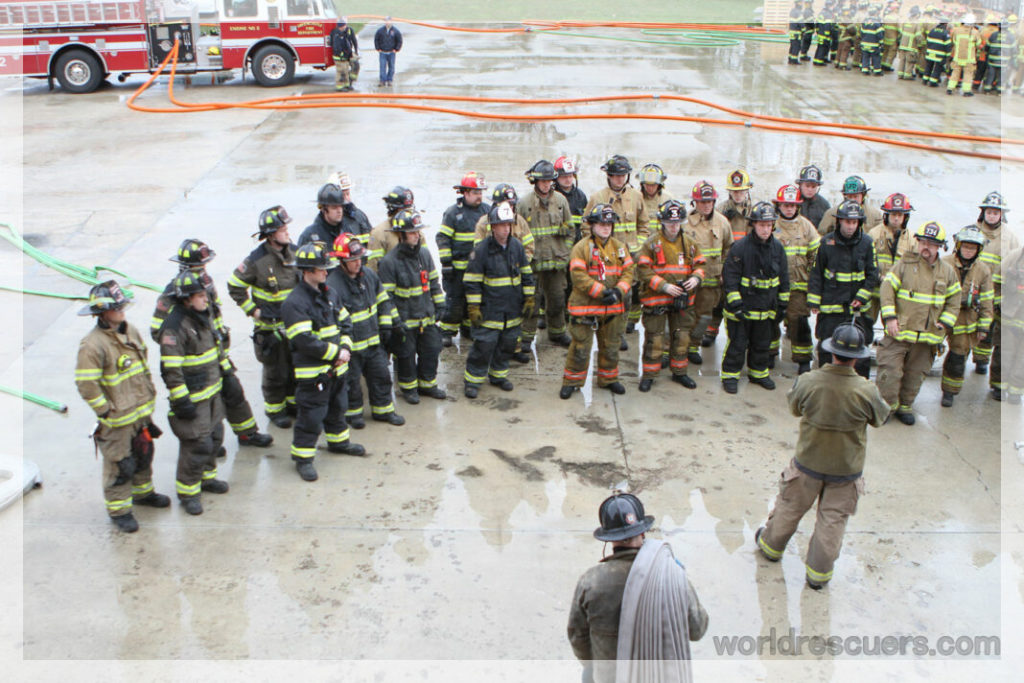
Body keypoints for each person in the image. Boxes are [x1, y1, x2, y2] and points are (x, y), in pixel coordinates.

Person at [755, 323, 890, 590]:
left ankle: (770, 548)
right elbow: (880, 418)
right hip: (846, 469)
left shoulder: (808, 381)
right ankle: (818, 575)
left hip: (808, 463)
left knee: (790, 507)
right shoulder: (867, 390)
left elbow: (794, 408)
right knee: (832, 521)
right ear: (857, 358)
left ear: (830, 352)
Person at [567, 492, 708, 683]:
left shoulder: (591, 582)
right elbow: (697, 629)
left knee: (588, 674)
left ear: (608, 538)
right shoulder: (672, 575)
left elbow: (578, 637)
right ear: (643, 531)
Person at [152, 239, 272, 448]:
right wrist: (190, 339)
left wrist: (218, 337)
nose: (203, 271)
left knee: (233, 392)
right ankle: (210, 445)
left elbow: (213, 315)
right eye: (200, 267)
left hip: (216, 354)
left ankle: (247, 434)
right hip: (196, 363)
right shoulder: (174, 292)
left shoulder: (205, 283)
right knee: (206, 408)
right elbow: (157, 330)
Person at [75, 280, 167, 533]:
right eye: (117, 307)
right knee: (120, 465)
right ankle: (120, 510)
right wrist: (105, 411)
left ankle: (143, 494)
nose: (122, 311)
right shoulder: (92, 345)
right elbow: (86, 384)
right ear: (103, 312)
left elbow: (142, 367)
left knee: (143, 454)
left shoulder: (131, 332)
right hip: (117, 420)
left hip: (139, 412)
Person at [282, 242, 365, 482]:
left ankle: (339, 443)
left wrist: (346, 347)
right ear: (307, 271)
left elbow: (346, 322)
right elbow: (304, 341)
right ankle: (303, 458)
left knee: (338, 408)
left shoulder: (329, 293)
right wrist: (336, 353)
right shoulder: (295, 303)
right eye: (321, 269)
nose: (326, 272)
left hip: (337, 370)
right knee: (311, 417)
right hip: (314, 375)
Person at [158, 270, 231, 515]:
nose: (205, 300)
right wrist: (181, 400)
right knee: (196, 445)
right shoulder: (174, 328)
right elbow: (171, 369)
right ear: (186, 299)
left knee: (215, 437)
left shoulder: (204, 315)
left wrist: (226, 371)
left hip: (212, 392)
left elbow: (216, 347)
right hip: (193, 399)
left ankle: (207, 478)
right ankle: (188, 492)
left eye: (205, 295)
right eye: (200, 296)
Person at [876, 222, 960, 424]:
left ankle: (905, 407)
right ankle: (886, 407)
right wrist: (890, 318)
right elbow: (887, 291)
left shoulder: (947, 272)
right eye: (923, 242)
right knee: (890, 372)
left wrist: (944, 324)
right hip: (899, 332)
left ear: (940, 246)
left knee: (915, 375)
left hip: (927, 337)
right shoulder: (904, 265)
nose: (926, 247)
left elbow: (954, 301)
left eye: (932, 244)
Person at [227, 206, 300, 428]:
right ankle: (275, 410)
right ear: (270, 234)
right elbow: (235, 286)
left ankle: (292, 404)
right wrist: (254, 311)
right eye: (282, 228)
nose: (287, 232)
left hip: (294, 326)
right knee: (275, 372)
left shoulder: (295, 252)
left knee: (294, 369)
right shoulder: (256, 261)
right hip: (270, 330)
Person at [326, 235, 404, 428]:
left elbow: (383, 300)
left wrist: (388, 324)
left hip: (373, 342)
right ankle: (354, 415)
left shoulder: (369, 275)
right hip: (351, 347)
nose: (358, 263)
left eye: (360, 258)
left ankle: (384, 411)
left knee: (381, 377)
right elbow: (332, 320)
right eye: (353, 260)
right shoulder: (333, 285)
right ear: (342, 260)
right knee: (351, 383)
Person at [560, 204, 636, 399]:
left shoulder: (620, 248)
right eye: (602, 224)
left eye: (609, 224)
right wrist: (603, 292)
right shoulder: (581, 248)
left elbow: (629, 272)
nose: (606, 228)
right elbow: (578, 276)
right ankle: (572, 381)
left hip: (612, 309)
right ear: (592, 226)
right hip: (585, 308)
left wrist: (619, 292)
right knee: (580, 348)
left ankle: (608, 379)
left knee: (611, 347)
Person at [463, 202, 535, 398]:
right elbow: (472, 281)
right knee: (484, 345)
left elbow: (527, 273)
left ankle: (498, 375)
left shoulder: (517, 247)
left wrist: (529, 298)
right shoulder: (481, 250)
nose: (506, 228)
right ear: (492, 227)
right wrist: (474, 307)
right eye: (502, 225)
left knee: (507, 343)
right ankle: (473, 380)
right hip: (490, 309)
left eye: (509, 224)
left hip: (512, 308)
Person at [379, 209, 448, 404]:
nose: (417, 235)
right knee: (406, 355)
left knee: (432, 349)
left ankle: (427, 385)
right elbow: (387, 297)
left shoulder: (424, 255)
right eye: (412, 232)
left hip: (426, 317)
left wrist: (440, 305)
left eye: (418, 231)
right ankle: (408, 389)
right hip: (404, 321)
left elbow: (434, 283)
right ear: (400, 235)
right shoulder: (389, 262)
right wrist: (395, 321)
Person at [720, 201, 790, 394]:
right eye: (762, 225)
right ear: (753, 225)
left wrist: (783, 304)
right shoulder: (740, 248)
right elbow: (730, 278)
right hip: (741, 309)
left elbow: (784, 277)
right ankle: (730, 376)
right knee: (737, 344)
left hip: (766, 309)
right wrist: (736, 304)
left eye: (769, 225)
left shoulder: (778, 248)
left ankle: (758, 374)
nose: (766, 230)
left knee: (762, 344)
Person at [636, 199, 705, 392]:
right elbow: (643, 270)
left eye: (677, 222)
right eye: (669, 222)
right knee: (655, 339)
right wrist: (664, 286)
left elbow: (700, 264)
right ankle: (649, 375)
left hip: (683, 301)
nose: (674, 226)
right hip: (657, 300)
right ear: (662, 222)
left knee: (682, 338)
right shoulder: (651, 244)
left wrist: (696, 278)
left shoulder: (690, 243)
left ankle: (680, 372)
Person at [808, 200, 878, 378]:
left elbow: (873, 275)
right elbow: (816, 273)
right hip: (831, 310)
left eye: (854, 222)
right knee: (826, 348)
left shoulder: (867, 243)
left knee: (860, 353)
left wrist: (861, 298)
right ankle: (825, 382)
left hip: (857, 312)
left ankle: (860, 386)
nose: (850, 227)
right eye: (847, 222)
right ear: (839, 221)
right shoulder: (826, 243)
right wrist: (814, 300)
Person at [583, 155, 647, 342]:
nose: (620, 179)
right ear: (609, 176)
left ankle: (618, 334)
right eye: (616, 175)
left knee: (625, 297)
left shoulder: (637, 197)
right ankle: (603, 332)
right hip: (605, 260)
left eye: (623, 175)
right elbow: (586, 226)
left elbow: (644, 224)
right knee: (604, 295)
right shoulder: (597, 197)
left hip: (628, 259)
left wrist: (637, 246)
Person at [473, 183, 535, 362]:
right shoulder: (484, 223)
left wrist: (520, 264)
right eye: (506, 204)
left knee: (514, 316)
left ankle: (513, 349)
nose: (511, 208)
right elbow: (479, 251)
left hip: (514, 278)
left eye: (512, 204)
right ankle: (491, 351)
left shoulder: (519, 221)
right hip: (492, 280)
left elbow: (529, 246)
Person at [519, 159, 573, 347]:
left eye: (549, 181)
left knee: (558, 300)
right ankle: (526, 338)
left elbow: (570, 229)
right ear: (535, 181)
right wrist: (523, 260)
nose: (546, 184)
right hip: (533, 263)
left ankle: (557, 332)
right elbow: (518, 233)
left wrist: (565, 254)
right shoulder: (524, 203)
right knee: (531, 303)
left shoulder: (560, 201)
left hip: (556, 262)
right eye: (543, 181)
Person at [973, 191, 1021, 397]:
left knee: (996, 333)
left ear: (1002, 215)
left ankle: (986, 363)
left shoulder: (1010, 238)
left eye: (996, 212)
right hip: (976, 291)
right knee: (976, 328)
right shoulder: (973, 232)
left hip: (999, 294)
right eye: (989, 212)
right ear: (983, 213)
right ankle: (979, 359)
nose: (992, 216)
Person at [940, 227, 994, 407]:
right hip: (940, 316)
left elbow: (987, 302)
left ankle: (949, 392)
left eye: (973, 248)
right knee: (923, 354)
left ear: (978, 250)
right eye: (966, 247)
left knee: (957, 357)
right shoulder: (944, 263)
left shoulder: (983, 271)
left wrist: (983, 327)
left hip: (965, 321)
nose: (968, 251)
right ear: (958, 246)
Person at [770, 184, 820, 374]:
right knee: (771, 321)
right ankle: (770, 353)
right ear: (779, 205)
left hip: (799, 288)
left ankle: (803, 359)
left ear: (797, 206)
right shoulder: (771, 225)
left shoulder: (806, 226)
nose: (789, 208)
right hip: (774, 287)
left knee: (799, 323)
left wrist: (812, 280)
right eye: (785, 205)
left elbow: (816, 255)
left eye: (792, 205)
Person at [437, 171, 490, 347]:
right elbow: (442, 238)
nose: (479, 196)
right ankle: (447, 331)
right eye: (476, 193)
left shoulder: (487, 211)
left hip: (477, 268)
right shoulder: (453, 213)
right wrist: (446, 263)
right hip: (458, 269)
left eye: (480, 192)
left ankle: (468, 329)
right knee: (455, 301)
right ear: (465, 193)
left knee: (474, 299)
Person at [684, 180, 734, 363]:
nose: (706, 205)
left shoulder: (722, 223)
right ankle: (676, 348)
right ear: (695, 202)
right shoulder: (686, 224)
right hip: (690, 281)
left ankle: (692, 347)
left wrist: (724, 272)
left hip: (712, 282)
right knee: (683, 316)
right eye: (702, 202)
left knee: (704, 317)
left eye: (710, 201)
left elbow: (729, 249)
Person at [866, 192, 916, 321]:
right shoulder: (874, 234)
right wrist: (877, 276)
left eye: (900, 215)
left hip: (896, 293)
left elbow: (914, 267)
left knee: (893, 328)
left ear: (906, 217)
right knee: (865, 324)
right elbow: (867, 261)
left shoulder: (912, 239)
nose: (896, 218)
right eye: (893, 214)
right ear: (886, 215)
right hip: (873, 290)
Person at [299, 174, 372, 248]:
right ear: (323, 209)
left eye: (341, 206)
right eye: (334, 207)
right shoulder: (309, 236)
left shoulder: (348, 230)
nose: (339, 211)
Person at [816, 175, 882, 236]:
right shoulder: (831, 213)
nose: (852, 200)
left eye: (856, 196)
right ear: (844, 196)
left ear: (863, 195)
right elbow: (821, 236)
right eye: (849, 196)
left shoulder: (875, 215)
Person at [367, 185, 414, 271]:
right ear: (393, 209)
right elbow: (373, 269)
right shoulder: (378, 234)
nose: (408, 214)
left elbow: (424, 260)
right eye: (403, 210)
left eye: (410, 209)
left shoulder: (416, 230)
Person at [553, 156, 588, 245]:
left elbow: (586, 222)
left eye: (570, 176)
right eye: (564, 176)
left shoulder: (581, 196)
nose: (568, 179)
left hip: (576, 243)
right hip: (557, 243)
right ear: (556, 177)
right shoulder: (551, 196)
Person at [947, 16, 981, 96]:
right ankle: (966, 91)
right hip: (969, 59)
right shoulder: (975, 32)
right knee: (968, 74)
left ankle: (950, 88)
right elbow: (978, 44)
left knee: (955, 73)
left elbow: (953, 41)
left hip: (957, 57)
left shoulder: (956, 30)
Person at [796, 164, 830, 232]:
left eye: (813, 186)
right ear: (800, 185)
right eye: (807, 186)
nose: (810, 190)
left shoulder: (824, 205)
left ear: (818, 186)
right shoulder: (792, 202)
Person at [330, 17, 359, 92]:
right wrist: (342, 55)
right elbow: (335, 45)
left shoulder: (349, 30)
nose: (343, 27)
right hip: (339, 56)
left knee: (355, 65)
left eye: (344, 26)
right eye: (341, 26)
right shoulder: (335, 33)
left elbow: (354, 41)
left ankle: (349, 82)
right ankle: (340, 86)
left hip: (348, 53)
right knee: (342, 71)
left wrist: (355, 51)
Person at [373, 16, 402, 86]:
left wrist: (396, 49)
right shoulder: (380, 31)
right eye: (386, 21)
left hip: (391, 52)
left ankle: (389, 80)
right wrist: (378, 48)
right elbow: (376, 39)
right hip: (382, 52)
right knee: (382, 66)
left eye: (389, 21)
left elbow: (399, 41)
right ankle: (382, 80)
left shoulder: (396, 31)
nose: (387, 22)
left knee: (391, 66)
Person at [922, 20, 951, 88]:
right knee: (937, 68)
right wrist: (948, 55)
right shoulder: (945, 33)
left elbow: (928, 41)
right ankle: (933, 82)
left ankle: (925, 80)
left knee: (928, 66)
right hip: (939, 55)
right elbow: (948, 45)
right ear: (945, 24)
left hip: (930, 52)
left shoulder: (932, 30)